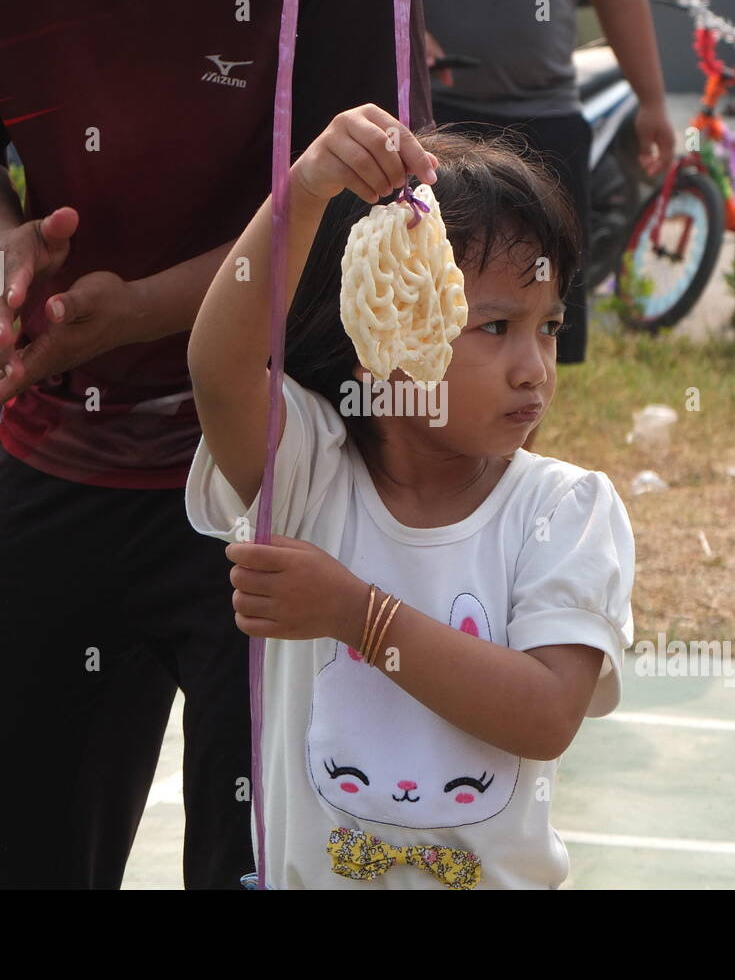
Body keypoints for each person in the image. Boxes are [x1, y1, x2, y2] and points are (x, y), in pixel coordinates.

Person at [0, 0, 432, 890]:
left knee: (262, 861)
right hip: (64, 442)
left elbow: (377, 194)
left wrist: (136, 315)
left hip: (281, 465)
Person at [185, 105, 636, 890]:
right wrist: (306, 188)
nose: (534, 367)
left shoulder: (564, 510)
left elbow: (546, 712)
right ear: (381, 341)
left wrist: (357, 613)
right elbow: (218, 366)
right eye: (494, 327)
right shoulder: (310, 472)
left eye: (550, 325)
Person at [414, 0, 673, 396]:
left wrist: (653, 101)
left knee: (539, 315)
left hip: (549, 121)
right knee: (426, 316)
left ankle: (508, 467)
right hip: (431, 116)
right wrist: (405, 25)